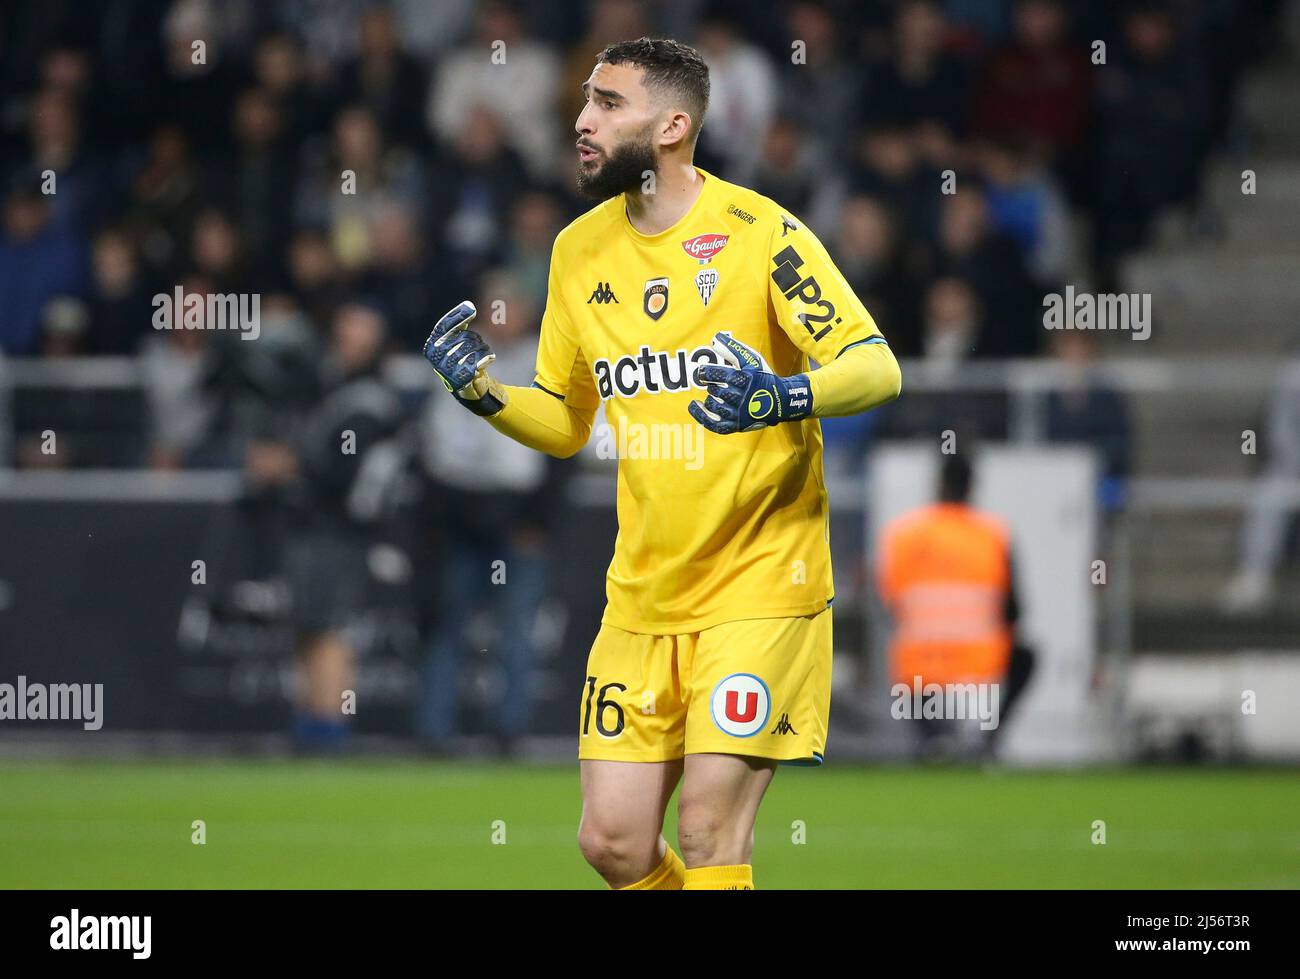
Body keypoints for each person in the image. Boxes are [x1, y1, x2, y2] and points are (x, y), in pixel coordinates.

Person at [421, 38, 902, 890]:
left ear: (674, 125)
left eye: (608, 103)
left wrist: (781, 396)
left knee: (711, 828)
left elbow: (875, 366)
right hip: (642, 595)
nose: (582, 120)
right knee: (611, 843)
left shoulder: (761, 234)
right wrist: (484, 393)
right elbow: (568, 423)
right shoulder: (578, 250)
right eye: (585, 101)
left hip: (761, 584)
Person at [875, 452, 1035, 761]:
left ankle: (935, 740)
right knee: (1027, 656)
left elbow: (888, 605)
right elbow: (1015, 609)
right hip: (980, 667)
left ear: (938, 484)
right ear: (972, 486)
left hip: (918, 669)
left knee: (901, 654)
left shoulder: (904, 535)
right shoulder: (992, 535)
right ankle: (988, 739)